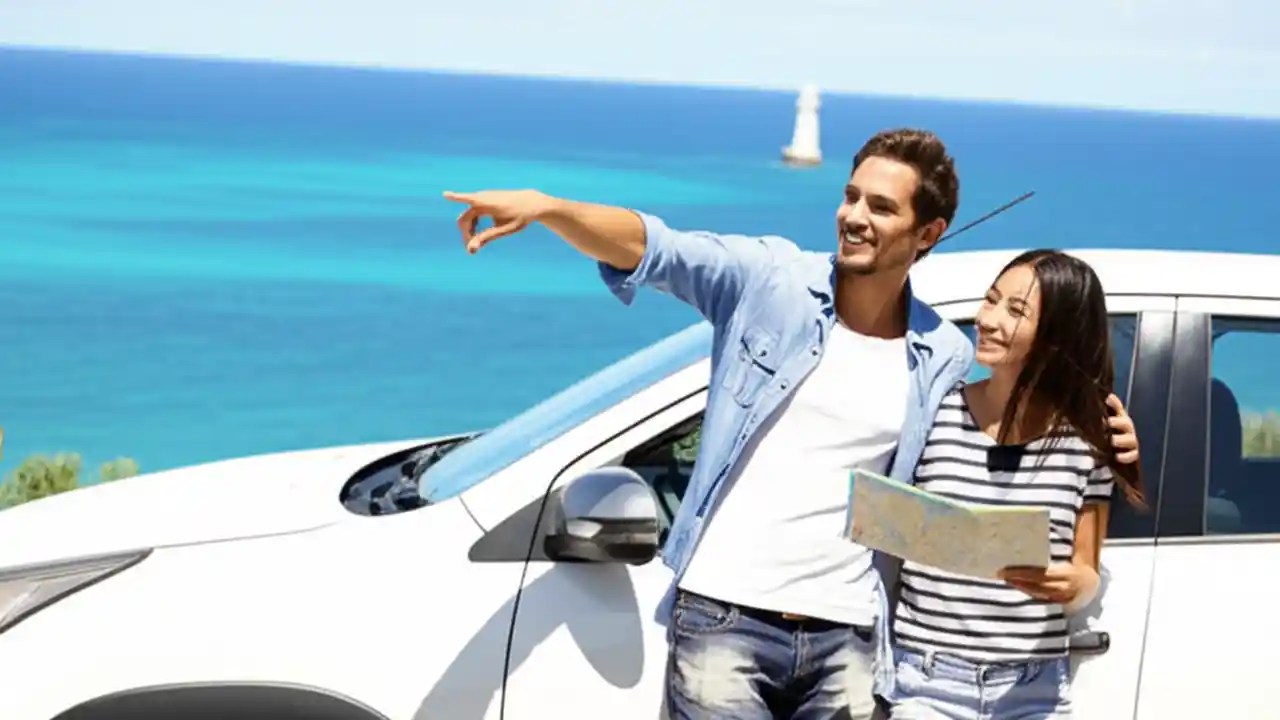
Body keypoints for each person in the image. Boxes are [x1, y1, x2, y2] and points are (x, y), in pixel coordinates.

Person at [443, 128, 1140, 720]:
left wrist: (1114, 437)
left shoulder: (943, 355)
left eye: (881, 206)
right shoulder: (770, 282)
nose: (853, 216)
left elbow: (1011, 429)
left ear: (928, 234)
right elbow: (658, 248)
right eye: (850, 196)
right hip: (726, 618)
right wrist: (550, 208)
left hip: (852, 641)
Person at [882, 250, 1146, 719]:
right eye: (991, 300)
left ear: (1055, 338)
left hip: (1032, 690)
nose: (988, 319)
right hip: (925, 682)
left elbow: (1085, 570)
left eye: (1015, 311)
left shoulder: (1087, 444)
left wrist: (1072, 584)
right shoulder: (933, 416)